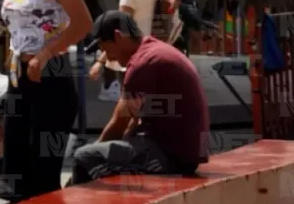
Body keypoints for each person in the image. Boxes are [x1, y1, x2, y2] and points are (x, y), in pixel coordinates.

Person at [0, 0, 93, 201]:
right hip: (19, 77)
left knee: (43, 174)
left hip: (51, 77)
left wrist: (46, 53)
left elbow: (83, 23)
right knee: (14, 167)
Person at [71, 11, 208, 185]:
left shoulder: (142, 63)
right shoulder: (153, 50)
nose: (109, 57)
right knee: (111, 153)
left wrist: (94, 151)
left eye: (105, 49)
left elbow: (119, 123)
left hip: (172, 158)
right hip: (183, 152)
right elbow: (133, 120)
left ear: (118, 36)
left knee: (84, 157)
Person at [90, 0, 162, 96]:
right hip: (148, 49)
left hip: (132, 54)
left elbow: (120, 31)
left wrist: (100, 62)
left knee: (130, 98)